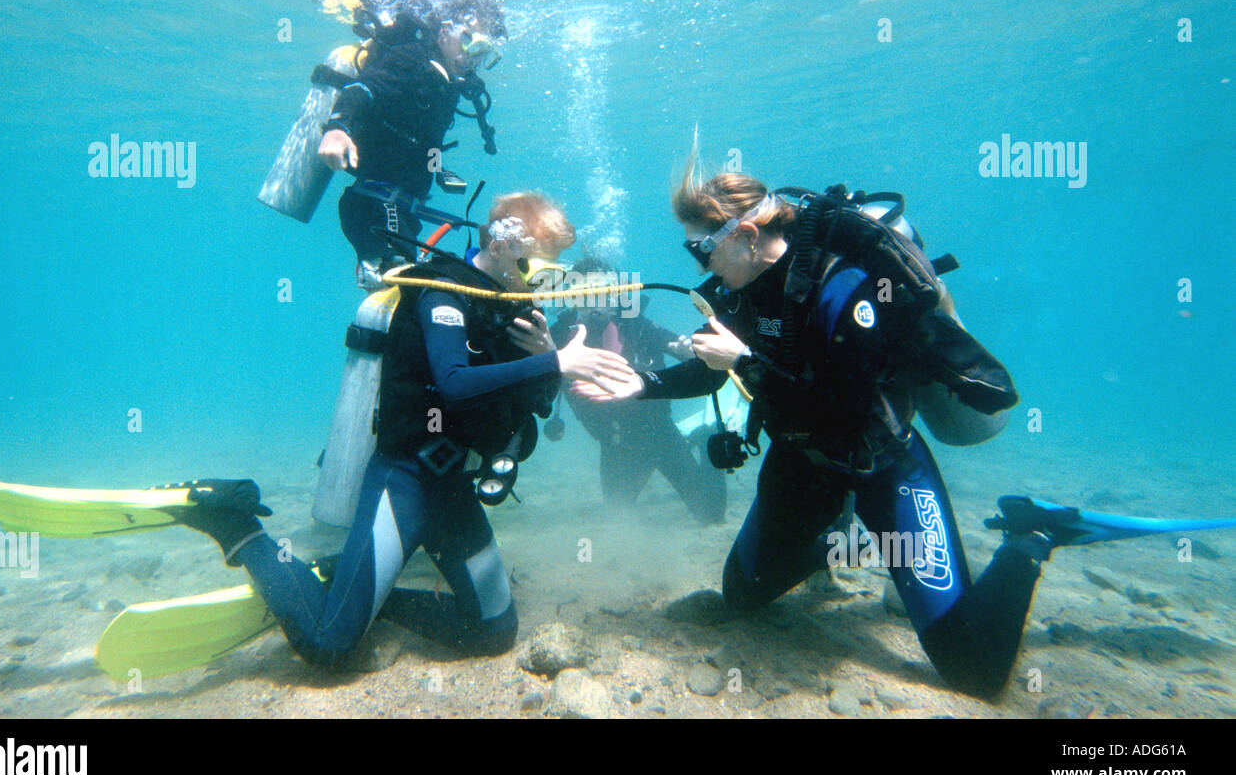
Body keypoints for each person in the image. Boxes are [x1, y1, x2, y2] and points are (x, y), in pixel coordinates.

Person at [573, 166, 1088, 700]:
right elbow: (709, 365)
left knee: (974, 666)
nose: (701, 265)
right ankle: (838, 540)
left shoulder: (844, 288)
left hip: (883, 467)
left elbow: (847, 411)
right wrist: (642, 383)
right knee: (742, 596)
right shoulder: (740, 293)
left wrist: (746, 362)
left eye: (702, 251)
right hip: (802, 464)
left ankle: (1030, 537)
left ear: (746, 237)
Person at [180, 193, 637, 664]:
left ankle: (356, 589)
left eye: (553, 275)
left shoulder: (508, 307)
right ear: (502, 243)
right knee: (329, 645)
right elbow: (455, 385)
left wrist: (544, 356)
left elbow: (534, 410)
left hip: (454, 488)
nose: (542, 283)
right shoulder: (442, 291)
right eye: (539, 267)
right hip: (407, 479)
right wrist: (556, 360)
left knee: (492, 631)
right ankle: (236, 525)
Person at [319, 0, 505, 286]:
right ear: (444, 30)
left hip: (402, 208)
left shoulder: (449, 83)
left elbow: (421, 142)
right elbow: (363, 89)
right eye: (469, 42)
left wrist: (437, 170)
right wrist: (338, 127)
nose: (472, 57)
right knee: (401, 283)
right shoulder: (410, 59)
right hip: (373, 206)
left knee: (414, 283)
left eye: (484, 51)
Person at [547, 258, 728, 524]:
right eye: (587, 293)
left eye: (606, 292)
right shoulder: (557, 337)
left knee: (710, 514)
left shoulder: (639, 326)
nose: (599, 302)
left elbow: (679, 348)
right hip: (614, 441)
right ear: (572, 297)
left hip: (659, 432)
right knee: (619, 517)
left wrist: (688, 349)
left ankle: (702, 439)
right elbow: (536, 382)